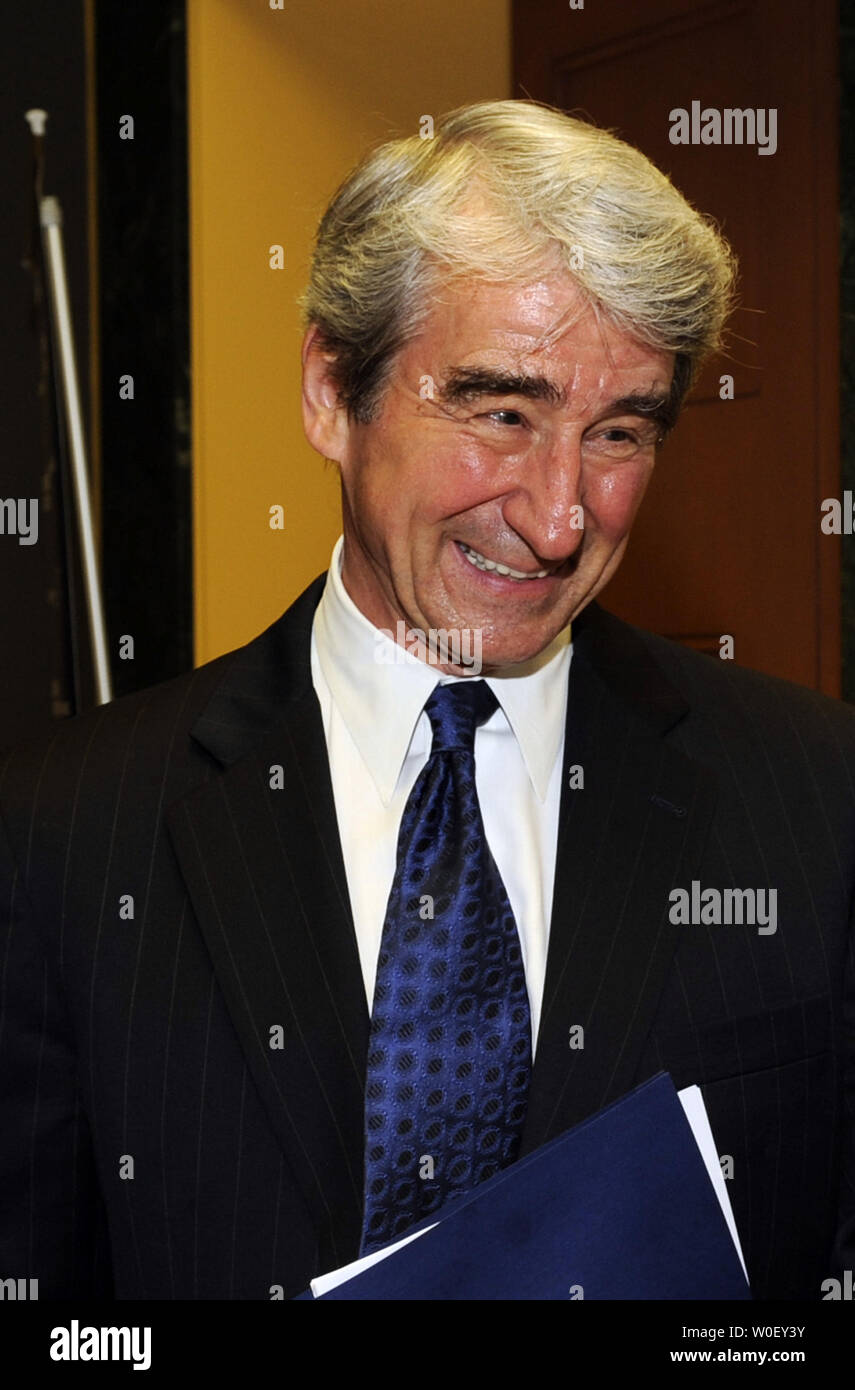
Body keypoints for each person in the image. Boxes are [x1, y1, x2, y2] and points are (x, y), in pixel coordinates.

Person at [1, 99, 853, 1301]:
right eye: (504, 412)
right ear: (329, 391)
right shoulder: (65, 834)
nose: (562, 515)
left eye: (619, 432)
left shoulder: (817, 799)